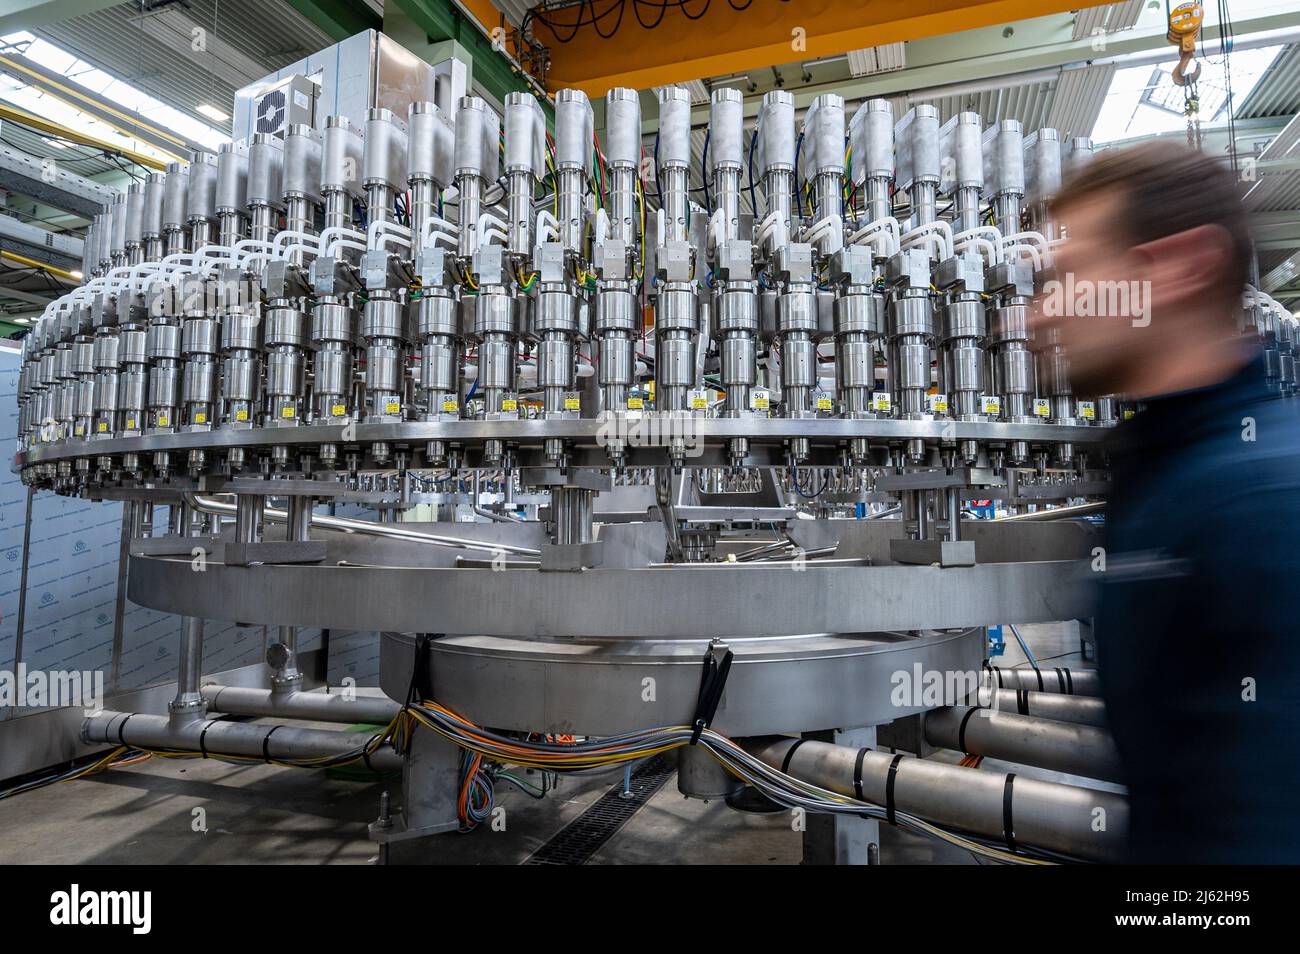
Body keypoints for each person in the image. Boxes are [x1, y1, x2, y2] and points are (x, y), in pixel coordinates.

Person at [1042, 139, 1300, 863]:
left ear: (1179, 267)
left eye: (1070, 277)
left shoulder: (1266, 501)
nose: (1038, 315)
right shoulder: (1163, 468)